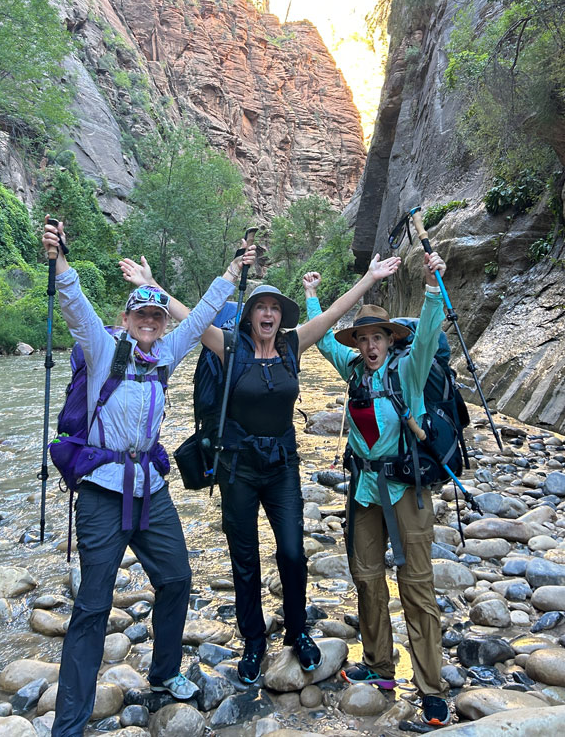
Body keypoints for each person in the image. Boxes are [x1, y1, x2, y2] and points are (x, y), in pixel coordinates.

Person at [120, 251, 401, 684]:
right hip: (237, 469)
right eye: (260, 308)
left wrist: (369, 277)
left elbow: (333, 314)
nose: (268, 314)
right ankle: (253, 640)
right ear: (250, 316)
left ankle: (297, 632)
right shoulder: (229, 346)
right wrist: (151, 285)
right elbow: (192, 318)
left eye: (274, 308)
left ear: (280, 317)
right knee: (245, 556)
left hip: (282, 466)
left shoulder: (292, 345)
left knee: (291, 552)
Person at [42, 217, 256, 737]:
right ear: (127, 317)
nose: (150, 321)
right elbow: (74, 305)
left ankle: (163, 673)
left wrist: (232, 271)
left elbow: (201, 317)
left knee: (177, 578)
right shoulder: (101, 348)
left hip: (150, 490)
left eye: (156, 316)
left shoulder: (166, 354)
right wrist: (60, 259)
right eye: (141, 314)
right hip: (102, 490)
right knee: (93, 605)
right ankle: (69, 723)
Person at [304, 251, 451, 728]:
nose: (369, 346)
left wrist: (432, 287)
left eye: (377, 338)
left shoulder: (408, 371)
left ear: (390, 340)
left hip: (406, 490)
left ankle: (431, 687)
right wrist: (311, 296)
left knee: (417, 586)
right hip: (364, 489)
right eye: (363, 338)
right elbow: (321, 339)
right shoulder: (352, 369)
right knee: (366, 578)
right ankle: (379, 665)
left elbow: (427, 338)